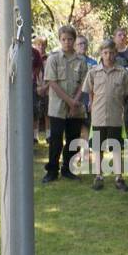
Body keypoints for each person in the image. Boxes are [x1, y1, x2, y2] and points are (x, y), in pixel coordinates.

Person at [82, 38, 128, 192]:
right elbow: (89, 90)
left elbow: (127, 94)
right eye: (105, 53)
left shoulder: (122, 73)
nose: (108, 56)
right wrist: (92, 104)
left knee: (116, 148)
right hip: (98, 116)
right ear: (101, 54)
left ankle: (119, 177)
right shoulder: (93, 72)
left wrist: (120, 109)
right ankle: (98, 176)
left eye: (111, 52)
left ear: (115, 53)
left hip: (116, 117)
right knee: (98, 148)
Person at [42, 25, 88, 183]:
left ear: (74, 40)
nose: (67, 42)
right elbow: (52, 83)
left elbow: (84, 82)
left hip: (76, 107)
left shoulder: (81, 61)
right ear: (59, 40)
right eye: (63, 39)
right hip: (57, 107)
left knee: (73, 139)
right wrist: (70, 101)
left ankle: (68, 169)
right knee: (55, 139)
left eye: (70, 39)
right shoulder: (53, 58)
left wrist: (75, 103)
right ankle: (52, 170)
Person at [32, 35, 49, 142]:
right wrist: (37, 87)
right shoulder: (32, 58)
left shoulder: (49, 59)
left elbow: (51, 75)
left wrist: (45, 87)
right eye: (39, 44)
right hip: (36, 88)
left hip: (47, 89)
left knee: (48, 113)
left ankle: (48, 135)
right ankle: (34, 136)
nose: (41, 47)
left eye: (43, 45)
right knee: (35, 113)